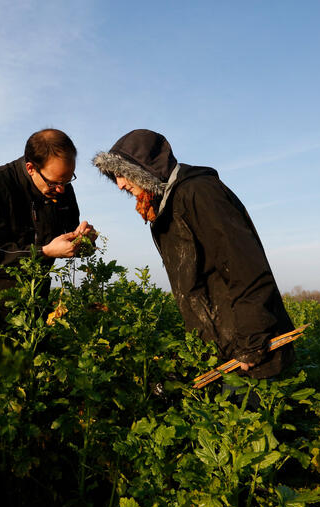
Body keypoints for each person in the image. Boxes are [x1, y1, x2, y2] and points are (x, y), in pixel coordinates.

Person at [92, 129, 293, 380]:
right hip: (224, 348)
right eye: (115, 176)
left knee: (250, 415)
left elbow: (245, 266)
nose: (119, 184)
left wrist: (252, 343)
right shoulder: (167, 205)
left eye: (122, 173)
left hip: (252, 350)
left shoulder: (199, 192)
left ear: (145, 168)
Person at [0, 128, 96, 346]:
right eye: (54, 183)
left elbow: (66, 236)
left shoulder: (61, 190)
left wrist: (82, 240)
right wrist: (44, 252)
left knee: (29, 373)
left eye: (68, 181)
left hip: (36, 304)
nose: (61, 190)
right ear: (31, 167)